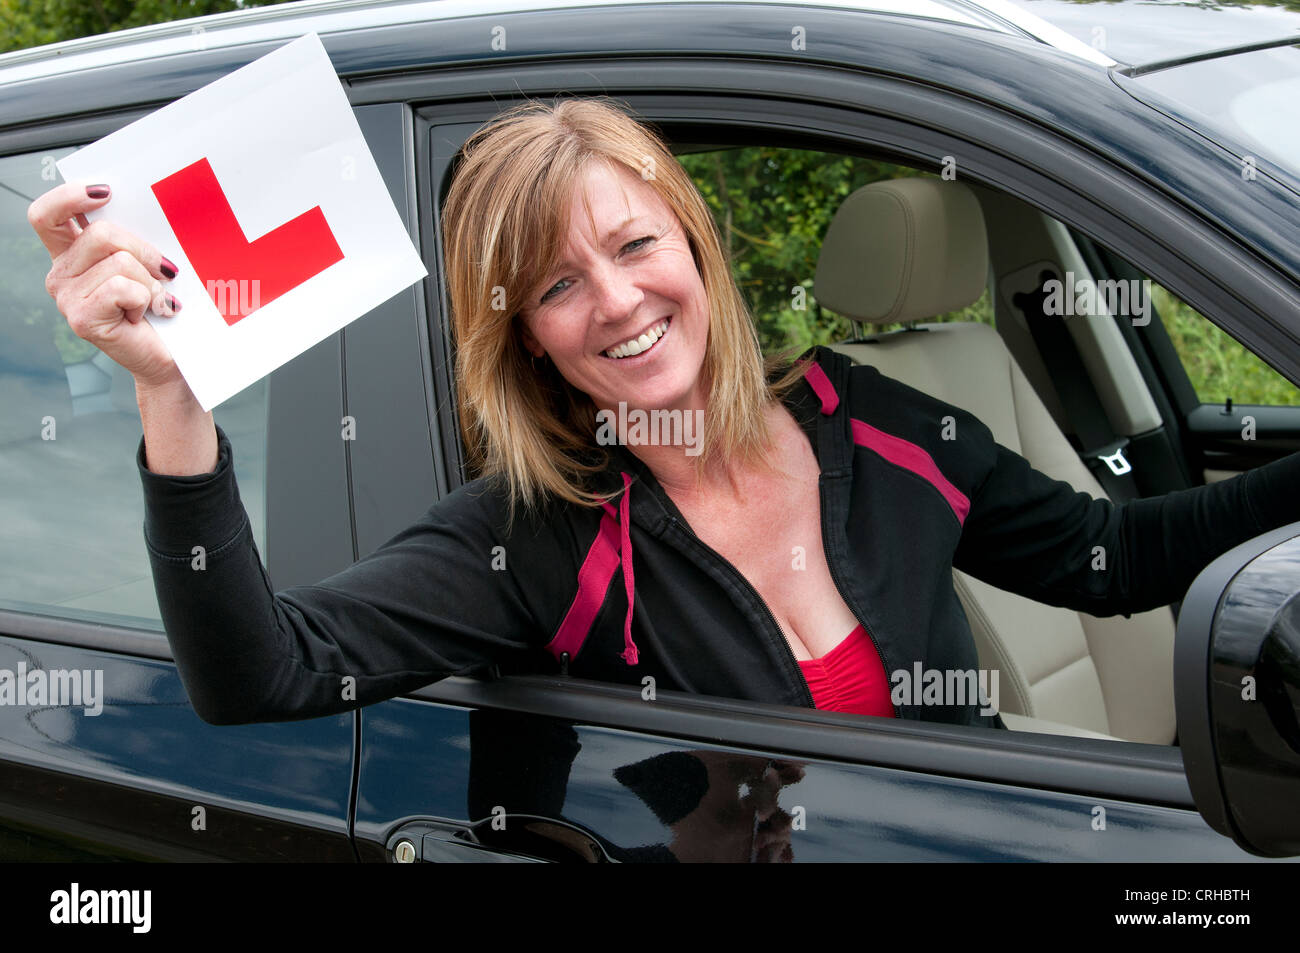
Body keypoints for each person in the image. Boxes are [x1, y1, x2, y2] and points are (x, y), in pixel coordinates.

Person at [28, 96, 1300, 731]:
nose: (619, 303)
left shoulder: (870, 421)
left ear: (694, 241)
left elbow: (1111, 556)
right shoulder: (536, 532)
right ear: (522, 330)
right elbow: (259, 674)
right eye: (557, 285)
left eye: (637, 245)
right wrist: (172, 389)